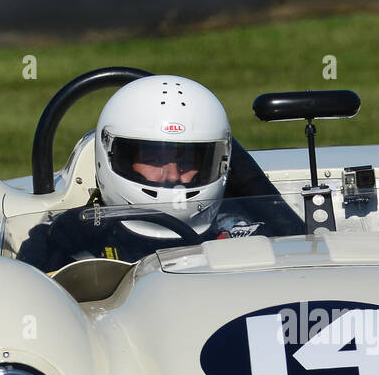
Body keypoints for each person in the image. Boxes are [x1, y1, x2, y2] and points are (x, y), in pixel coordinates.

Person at [18, 75, 301, 272]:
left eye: (188, 160)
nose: (172, 175)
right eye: (153, 158)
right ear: (113, 155)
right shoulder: (66, 238)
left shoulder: (249, 235)